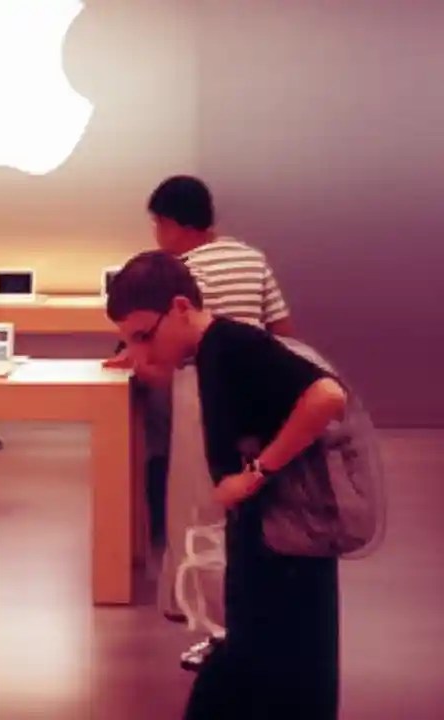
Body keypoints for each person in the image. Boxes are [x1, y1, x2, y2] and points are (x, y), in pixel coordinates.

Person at [107, 250, 344, 720]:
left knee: (281, 667)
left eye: (143, 336)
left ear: (179, 307)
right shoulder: (210, 353)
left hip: (288, 541)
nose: (141, 351)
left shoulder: (233, 345)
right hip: (265, 538)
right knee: (256, 662)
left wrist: (257, 473)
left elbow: (327, 396)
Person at [106, 175, 296, 668]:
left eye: (156, 223)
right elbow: (283, 330)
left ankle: (215, 626)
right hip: (260, 402)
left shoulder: (177, 273)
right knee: (253, 509)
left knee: (198, 511)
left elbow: (169, 356)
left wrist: (136, 360)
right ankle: (254, 620)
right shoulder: (253, 257)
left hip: (201, 397)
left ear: (170, 223)